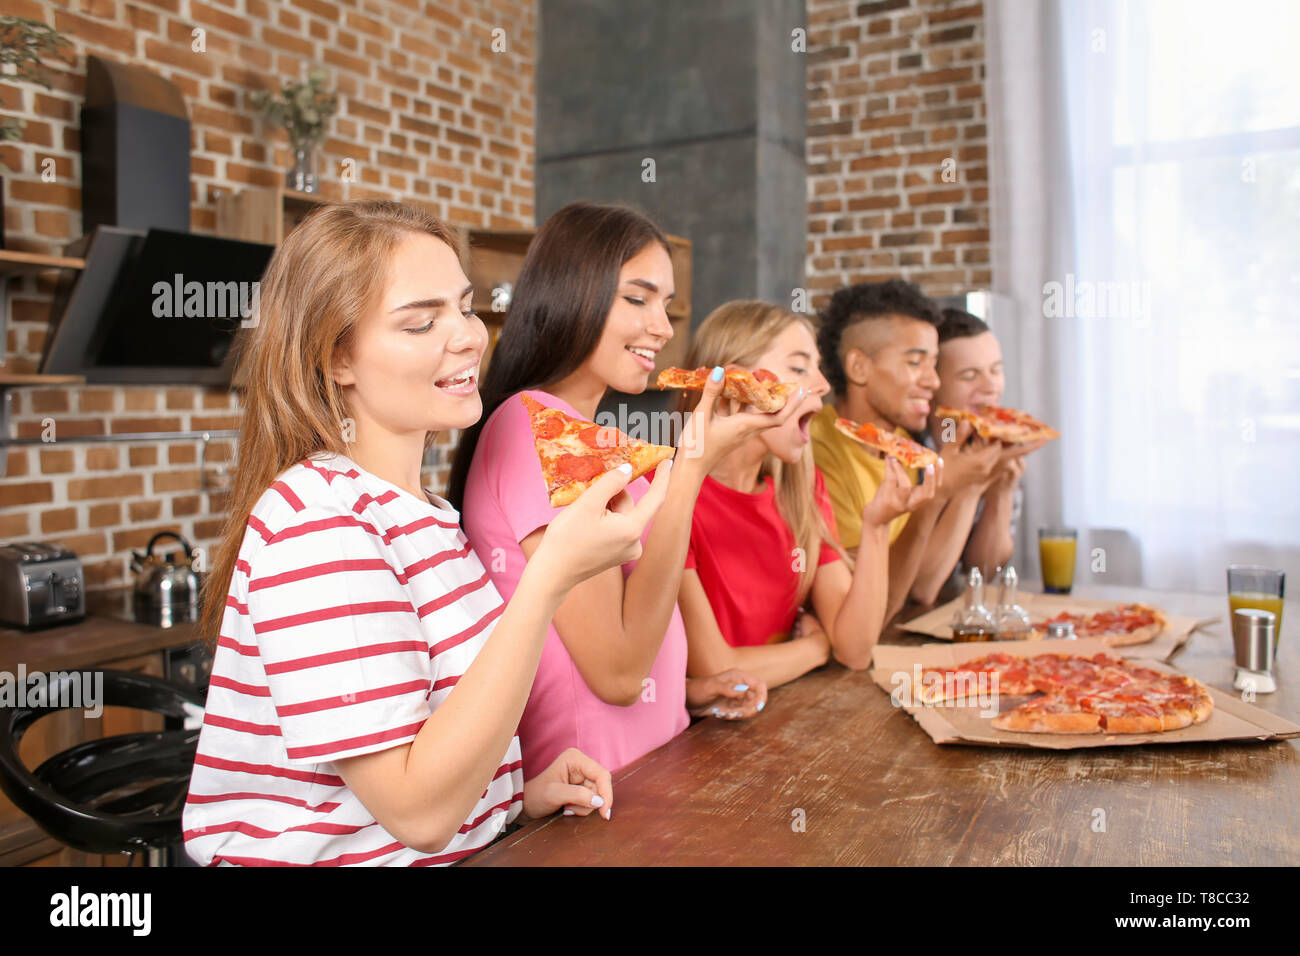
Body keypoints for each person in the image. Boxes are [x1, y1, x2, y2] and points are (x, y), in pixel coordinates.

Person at [184, 201, 666, 867]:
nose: (469, 337)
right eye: (421, 321)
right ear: (338, 359)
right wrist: (551, 577)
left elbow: (432, 752)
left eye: (465, 308)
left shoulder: (428, 517)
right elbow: (418, 813)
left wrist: (510, 797)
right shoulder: (320, 523)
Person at [451, 202, 793, 778]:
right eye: (637, 298)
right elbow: (615, 676)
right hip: (591, 808)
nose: (662, 326)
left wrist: (683, 690)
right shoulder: (539, 427)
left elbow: (619, 652)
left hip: (650, 777)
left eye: (666, 303)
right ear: (572, 294)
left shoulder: (588, 435)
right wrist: (692, 468)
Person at [676, 301, 919, 689]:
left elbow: (855, 649)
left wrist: (876, 526)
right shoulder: (672, 497)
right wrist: (816, 648)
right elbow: (717, 671)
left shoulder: (803, 490)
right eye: (800, 367)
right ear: (738, 384)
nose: (823, 384)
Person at [810, 279, 1003, 620]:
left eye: (933, 363)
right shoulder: (816, 454)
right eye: (916, 363)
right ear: (858, 368)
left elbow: (922, 586)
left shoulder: (905, 447)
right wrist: (938, 492)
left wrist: (966, 486)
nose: (934, 381)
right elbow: (872, 614)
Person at [917, 307, 1046, 586]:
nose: (991, 387)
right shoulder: (907, 454)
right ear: (933, 384)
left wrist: (1001, 492)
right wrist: (971, 485)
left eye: (996, 370)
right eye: (969, 375)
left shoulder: (1000, 447)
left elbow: (982, 570)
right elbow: (921, 586)